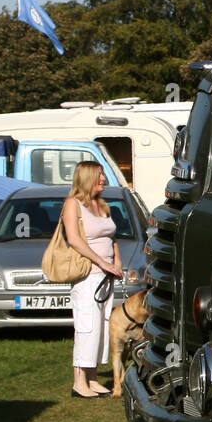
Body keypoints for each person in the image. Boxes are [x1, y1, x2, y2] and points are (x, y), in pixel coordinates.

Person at [62, 162, 123, 399]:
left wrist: (116, 261)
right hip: (87, 274)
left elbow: (112, 237)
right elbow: (75, 240)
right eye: (99, 176)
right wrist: (102, 262)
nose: (103, 180)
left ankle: (93, 377)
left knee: (102, 324)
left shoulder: (102, 205)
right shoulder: (72, 205)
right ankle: (79, 382)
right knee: (87, 325)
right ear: (87, 178)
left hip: (105, 275)